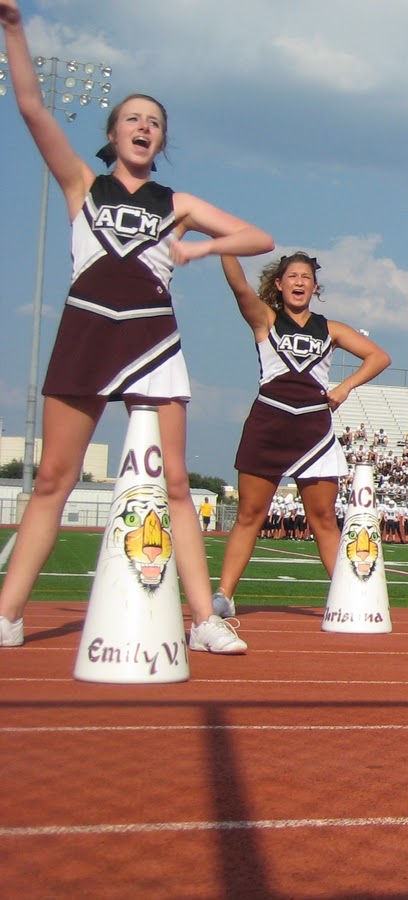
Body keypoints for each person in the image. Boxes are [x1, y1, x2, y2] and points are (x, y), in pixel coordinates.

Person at [0, 1, 273, 652]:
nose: (143, 127)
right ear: (113, 133)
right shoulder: (81, 185)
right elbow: (34, 108)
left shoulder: (177, 204)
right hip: (87, 330)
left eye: (154, 122)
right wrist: (14, 29)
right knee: (52, 480)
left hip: (152, 337)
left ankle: (204, 618)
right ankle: (9, 611)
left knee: (175, 482)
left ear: (162, 140)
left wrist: (202, 247)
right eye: (132, 119)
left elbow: (257, 235)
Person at [211, 253, 391, 615]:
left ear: (315, 287)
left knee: (323, 518)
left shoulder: (331, 328)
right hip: (268, 425)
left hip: (313, 431)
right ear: (279, 284)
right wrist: (224, 245)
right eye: (291, 276)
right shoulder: (266, 319)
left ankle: (350, 596)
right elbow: (238, 286)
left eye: (306, 277)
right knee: (250, 514)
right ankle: (224, 596)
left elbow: (378, 356)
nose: (298, 282)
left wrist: (345, 387)